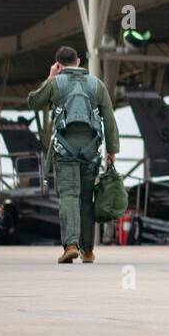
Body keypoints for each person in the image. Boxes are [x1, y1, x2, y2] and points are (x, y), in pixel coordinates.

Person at [26, 46, 119, 264]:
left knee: (69, 195)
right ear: (78, 61)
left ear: (58, 64)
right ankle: (87, 251)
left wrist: (50, 77)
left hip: (64, 150)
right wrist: (112, 150)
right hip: (90, 150)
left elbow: (33, 102)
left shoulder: (56, 83)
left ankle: (70, 245)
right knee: (87, 199)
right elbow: (109, 118)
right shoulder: (97, 85)